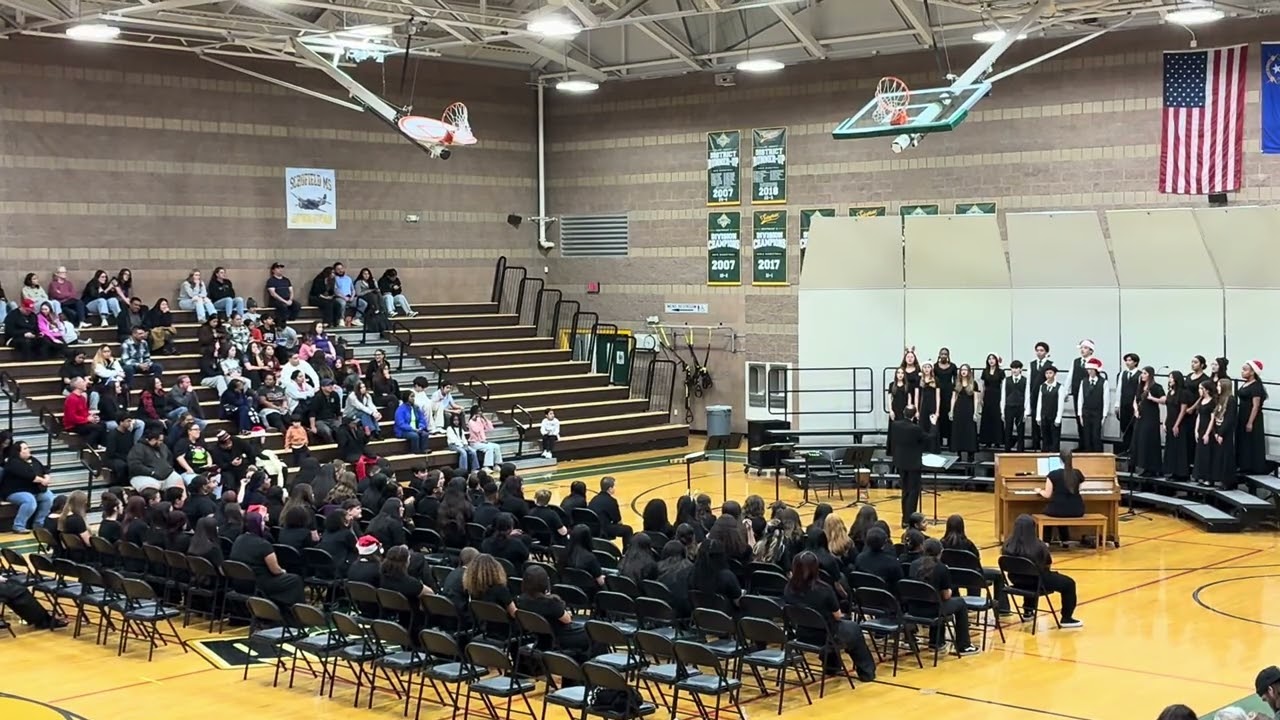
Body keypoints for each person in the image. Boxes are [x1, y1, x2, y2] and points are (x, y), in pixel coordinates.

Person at [783, 551, 877, 681]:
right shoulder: (824, 589)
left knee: (835, 627)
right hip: (826, 636)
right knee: (853, 629)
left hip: (803, 633)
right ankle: (867, 672)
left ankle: (831, 666)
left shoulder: (788, 588)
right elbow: (837, 616)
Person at [1002, 513, 1082, 627]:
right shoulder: (1039, 546)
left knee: (1027, 574)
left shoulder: (1007, 545)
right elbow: (1047, 564)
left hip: (1016, 579)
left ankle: (1028, 611)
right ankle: (1067, 618)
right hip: (1037, 581)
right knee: (1069, 584)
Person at [909, 538, 979, 654]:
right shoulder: (941, 568)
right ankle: (964, 645)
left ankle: (936, 642)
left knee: (935, 600)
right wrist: (951, 591)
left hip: (913, 608)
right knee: (960, 603)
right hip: (933, 610)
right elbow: (946, 596)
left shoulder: (913, 565)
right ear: (940, 552)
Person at [229, 508, 305, 609]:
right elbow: (275, 570)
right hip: (258, 583)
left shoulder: (238, 539)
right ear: (258, 524)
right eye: (263, 521)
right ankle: (292, 613)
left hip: (238, 581)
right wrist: (283, 571)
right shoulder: (264, 545)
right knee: (295, 580)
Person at [939, 513, 1010, 614]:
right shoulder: (968, 544)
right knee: (998, 575)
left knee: (966, 574)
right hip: (971, 578)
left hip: (951, 578)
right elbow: (976, 561)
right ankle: (1003, 609)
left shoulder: (941, 544)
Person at [1, 442, 55, 533]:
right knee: (29, 500)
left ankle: (38, 524)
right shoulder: (13, 462)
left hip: (34, 490)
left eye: (28, 448)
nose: (28, 450)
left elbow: (44, 469)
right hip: (15, 491)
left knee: (49, 497)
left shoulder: (33, 460)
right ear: (18, 452)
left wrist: (47, 477)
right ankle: (18, 525)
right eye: (25, 449)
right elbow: (28, 475)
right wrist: (42, 481)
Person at [889, 406, 929, 528]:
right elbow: (928, 438)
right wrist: (933, 425)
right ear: (915, 414)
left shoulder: (895, 425)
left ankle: (905, 519)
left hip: (901, 462)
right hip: (913, 464)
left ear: (903, 412)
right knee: (913, 492)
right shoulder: (915, 428)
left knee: (905, 491)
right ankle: (910, 519)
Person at [1132, 366, 1165, 478]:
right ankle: (1143, 466)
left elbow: (1164, 400)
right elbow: (1135, 400)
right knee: (1140, 440)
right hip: (1141, 416)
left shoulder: (1156, 387)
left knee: (1149, 440)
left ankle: (1153, 467)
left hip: (1151, 417)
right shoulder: (1140, 386)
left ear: (1150, 375)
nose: (1142, 375)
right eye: (1142, 373)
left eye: (1145, 373)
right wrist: (1136, 410)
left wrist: (1152, 398)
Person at [1237, 360, 1269, 475]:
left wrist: (1250, 422)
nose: (1242, 372)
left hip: (1252, 416)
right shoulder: (1245, 384)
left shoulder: (1256, 386)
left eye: (1245, 370)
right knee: (1243, 440)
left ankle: (1253, 466)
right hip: (1242, 415)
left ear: (1252, 372)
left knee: (1252, 441)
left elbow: (1256, 406)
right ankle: (1244, 464)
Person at [1164, 371, 1194, 481]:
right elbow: (1168, 409)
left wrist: (1176, 425)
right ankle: (1171, 471)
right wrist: (1165, 422)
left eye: (1171, 377)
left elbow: (1183, 410)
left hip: (1180, 423)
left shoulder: (1183, 393)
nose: (1169, 379)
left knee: (1179, 448)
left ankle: (1181, 473)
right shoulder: (1170, 392)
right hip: (1170, 422)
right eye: (1169, 377)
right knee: (1171, 448)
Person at [1076, 356, 1108, 453]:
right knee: (1086, 435)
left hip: (1097, 412)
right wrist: (1080, 414)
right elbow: (1080, 398)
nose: (1089, 371)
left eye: (1091, 369)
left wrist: (1104, 415)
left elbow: (1106, 399)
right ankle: (1087, 453)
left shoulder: (1103, 382)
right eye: (1088, 369)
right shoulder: (1084, 381)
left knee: (1095, 435)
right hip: (1086, 412)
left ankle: (1098, 455)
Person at [1212, 377, 1239, 489]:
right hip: (1219, 431)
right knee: (1220, 457)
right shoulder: (1220, 399)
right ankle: (1222, 479)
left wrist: (1221, 433)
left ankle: (1228, 481)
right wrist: (1216, 433)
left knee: (1227, 457)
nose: (1217, 388)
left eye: (1219, 386)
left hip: (1226, 433)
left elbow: (1229, 419)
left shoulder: (1231, 399)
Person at [587, 476, 633, 543]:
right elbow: (618, 521)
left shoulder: (594, 499)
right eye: (614, 486)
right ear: (610, 489)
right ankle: (626, 551)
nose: (615, 488)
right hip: (603, 529)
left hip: (592, 528)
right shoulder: (612, 501)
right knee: (627, 530)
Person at [62, 377, 105, 449]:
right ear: (77, 385)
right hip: (73, 425)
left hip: (82, 422)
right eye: (83, 382)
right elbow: (71, 417)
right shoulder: (71, 398)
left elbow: (84, 412)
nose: (86, 383)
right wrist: (87, 419)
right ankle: (87, 446)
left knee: (102, 424)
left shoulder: (82, 398)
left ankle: (98, 446)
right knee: (97, 428)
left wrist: (92, 417)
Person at [950, 364, 979, 461]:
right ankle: (959, 454)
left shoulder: (973, 383)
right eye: (962, 370)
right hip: (959, 409)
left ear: (969, 372)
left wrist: (975, 412)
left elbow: (976, 399)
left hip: (969, 409)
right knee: (959, 431)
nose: (963, 371)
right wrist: (951, 411)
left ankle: (971, 454)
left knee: (969, 431)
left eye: (965, 370)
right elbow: (953, 398)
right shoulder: (957, 383)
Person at [1114, 353, 1141, 456]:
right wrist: (1117, 404)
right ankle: (1125, 449)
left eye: (1130, 360)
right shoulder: (1123, 374)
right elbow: (1119, 389)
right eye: (1126, 360)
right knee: (1125, 427)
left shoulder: (1139, 375)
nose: (1127, 362)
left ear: (1135, 362)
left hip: (1134, 406)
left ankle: (1134, 451)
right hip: (1123, 405)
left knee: (1134, 427)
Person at [1001, 359, 1029, 452]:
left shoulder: (1025, 381)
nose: (1014, 370)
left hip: (1020, 408)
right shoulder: (1006, 380)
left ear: (1020, 369)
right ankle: (1007, 450)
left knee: (1020, 430)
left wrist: (1026, 411)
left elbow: (1027, 395)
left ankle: (1020, 450)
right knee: (1008, 429)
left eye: (1016, 368)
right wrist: (1002, 411)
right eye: (1012, 368)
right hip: (1009, 407)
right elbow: (1003, 395)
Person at [979, 353, 1005, 448]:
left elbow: (1003, 386)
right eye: (989, 359)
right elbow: (982, 386)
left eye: (993, 359)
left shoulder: (1001, 372)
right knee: (987, 417)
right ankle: (987, 440)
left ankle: (997, 441)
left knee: (997, 418)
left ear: (996, 360)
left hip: (997, 396)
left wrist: (1003, 399)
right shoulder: (984, 371)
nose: (991, 360)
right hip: (987, 396)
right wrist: (981, 398)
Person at [933, 347, 957, 449]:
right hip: (937, 392)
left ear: (948, 355)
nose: (943, 355)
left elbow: (956, 380)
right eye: (942, 354)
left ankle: (950, 441)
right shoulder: (934, 366)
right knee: (939, 416)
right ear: (939, 355)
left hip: (949, 392)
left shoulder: (953, 366)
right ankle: (939, 440)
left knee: (949, 416)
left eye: (945, 354)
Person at [1038, 364, 1066, 452]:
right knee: (1045, 438)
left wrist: (1058, 418)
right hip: (1044, 416)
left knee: (1055, 439)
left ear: (1054, 374)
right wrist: (1038, 416)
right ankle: (1045, 455)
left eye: (1050, 373)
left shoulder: (1059, 387)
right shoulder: (1042, 386)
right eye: (1046, 373)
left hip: (1054, 416)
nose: (1048, 375)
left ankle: (1055, 457)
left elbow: (1060, 404)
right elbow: (1039, 402)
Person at [307, 378, 344, 444]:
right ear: (322, 387)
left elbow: (338, 411)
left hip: (332, 419)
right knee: (326, 431)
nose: (331, 386)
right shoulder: (317, 397)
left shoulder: (335, 395)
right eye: (328, 385)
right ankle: (331, 445)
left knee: (340, 429)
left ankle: (341, 444)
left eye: (332, 385)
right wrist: (313, 426)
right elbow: (312, 413)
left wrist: (340, 422)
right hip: (320, 420)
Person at [467, 405, 503, 470]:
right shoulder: (471, 422)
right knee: (489, 448)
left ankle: (497, 464)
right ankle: (486, 466)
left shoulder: (481, 420)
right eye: (478, 411)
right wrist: (475, 420)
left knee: (497, 446)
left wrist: (485, 418)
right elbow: (476, 430)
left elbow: (490, 428)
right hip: (474, 443)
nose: (480, 413)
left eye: (480, 411)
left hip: (483, 442)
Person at [1070, 339, 1096, 414]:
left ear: (1091, 351)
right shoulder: (1076, 361)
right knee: (1078, 412)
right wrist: (1066, 390)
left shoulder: (1094, 362)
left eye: (1085, 348)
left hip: (1089, 391)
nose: (1082, 350)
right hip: (1076, 390)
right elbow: (1070, 375)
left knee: (1087, 413)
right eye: (1081, 348)